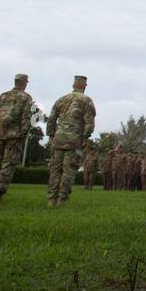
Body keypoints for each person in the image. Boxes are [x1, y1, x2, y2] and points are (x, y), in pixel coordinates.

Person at [0, 74, 34, 205]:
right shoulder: (26, 98)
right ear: (24, 83)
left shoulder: (3, 96)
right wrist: (23, 134)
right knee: (7, 165)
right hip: (14, 136)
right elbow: (26, 118)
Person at [46, 75, 95, 207]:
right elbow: (89, 123)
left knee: (55, 170)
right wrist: (85, 138)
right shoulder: (86, 100)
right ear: (84, 86)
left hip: (58, 139)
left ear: (73, 85)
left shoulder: (62, 99)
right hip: (74, 141)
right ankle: (62, 200)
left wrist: (51, 135)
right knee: (68, 170)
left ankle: (51, 200)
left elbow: (51, 119)